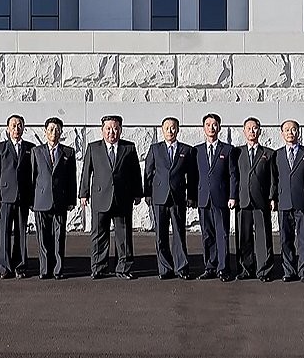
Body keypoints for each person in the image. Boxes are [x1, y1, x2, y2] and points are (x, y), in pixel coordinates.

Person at [79, 115, 143, 280]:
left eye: (115, 128)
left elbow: (135, 172)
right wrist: (83, 193)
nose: (111, 132)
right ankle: (98, 268)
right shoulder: (93, 148)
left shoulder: (129, 148)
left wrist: (138, 193)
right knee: (99, 234)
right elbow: (86, 171)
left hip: (122, 198)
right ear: (102, 130)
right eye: (108, 128)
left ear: (120, 130)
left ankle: (123, 268)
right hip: (100, 196)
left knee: (124, 235)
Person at [143, 116, 197, 280]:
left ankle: (182, 268)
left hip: (177, 197)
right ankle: (165, 268)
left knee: (179, 233)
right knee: (161, 235)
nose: (170, 131)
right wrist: (147, 194)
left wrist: (191, 196)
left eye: (173, 127)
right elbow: (148, 173)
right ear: (162, 130)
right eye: (167, 128)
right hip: (159, 197)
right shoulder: (155, 149)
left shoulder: (186, 150)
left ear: (178, 129)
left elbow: (192, 176)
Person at [195, 113, 238, 282]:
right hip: (203, 198)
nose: (211, 128)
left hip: (221, 198)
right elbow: (193, 176)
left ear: (219, 127)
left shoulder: (227, 150)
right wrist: (193, 197)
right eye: (208, 124)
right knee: (207, 235)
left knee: (222, 234)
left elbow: (233, 175)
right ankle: (210, 267)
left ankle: (223, 268)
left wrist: (232, 196)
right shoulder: (197, 150)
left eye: (214, 125)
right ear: (203, 128)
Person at [31, 117, 76, 279]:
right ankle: (44, 269)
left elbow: (71, 179)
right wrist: (31, 200)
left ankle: (58, 269)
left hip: (60, 200)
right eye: (50, 129)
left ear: (61, 132)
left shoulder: (68, 152)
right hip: (41, 200)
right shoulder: (36, 151)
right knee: (43, 238)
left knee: (59, 236)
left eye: (57, 129)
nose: (54, 133)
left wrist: (71, 200)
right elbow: (32, 177)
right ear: (45, 132)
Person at [273, 120, 304, 283]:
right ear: (282, 134)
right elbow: (274, 179)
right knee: (285, 239)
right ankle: (289, 270)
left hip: (302, 202)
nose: (290, 133)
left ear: (298, 132)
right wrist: (273, 198)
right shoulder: (277, 155)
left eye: (293, 130)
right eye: (287, 130)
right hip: (284, 202)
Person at [0, 114, 34, 279]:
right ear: (8, 128)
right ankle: (3, 267)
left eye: (19, 125)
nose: (16, 129)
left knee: (21, 233)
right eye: (13, 126)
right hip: (5, 196)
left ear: (23, 128)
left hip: (23, 196)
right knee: (4, 233)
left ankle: (20, 266)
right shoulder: (0, 148)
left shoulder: (30, 148)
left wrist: (32, 198)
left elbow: (33, 174)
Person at [234, 117, 275, 282]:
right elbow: (234, 177)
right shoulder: (237, 153)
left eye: (255, 128)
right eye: (249, 128)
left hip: (261, 201)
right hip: (242, 200)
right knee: (243, 237)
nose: (252, 131)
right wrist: (233, 196)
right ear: (244, 131)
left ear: (260, 131)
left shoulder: (268, 153)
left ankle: (264, 270)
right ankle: (245, 268)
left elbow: (272, 178)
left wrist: (272, 197)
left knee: (263, 237)